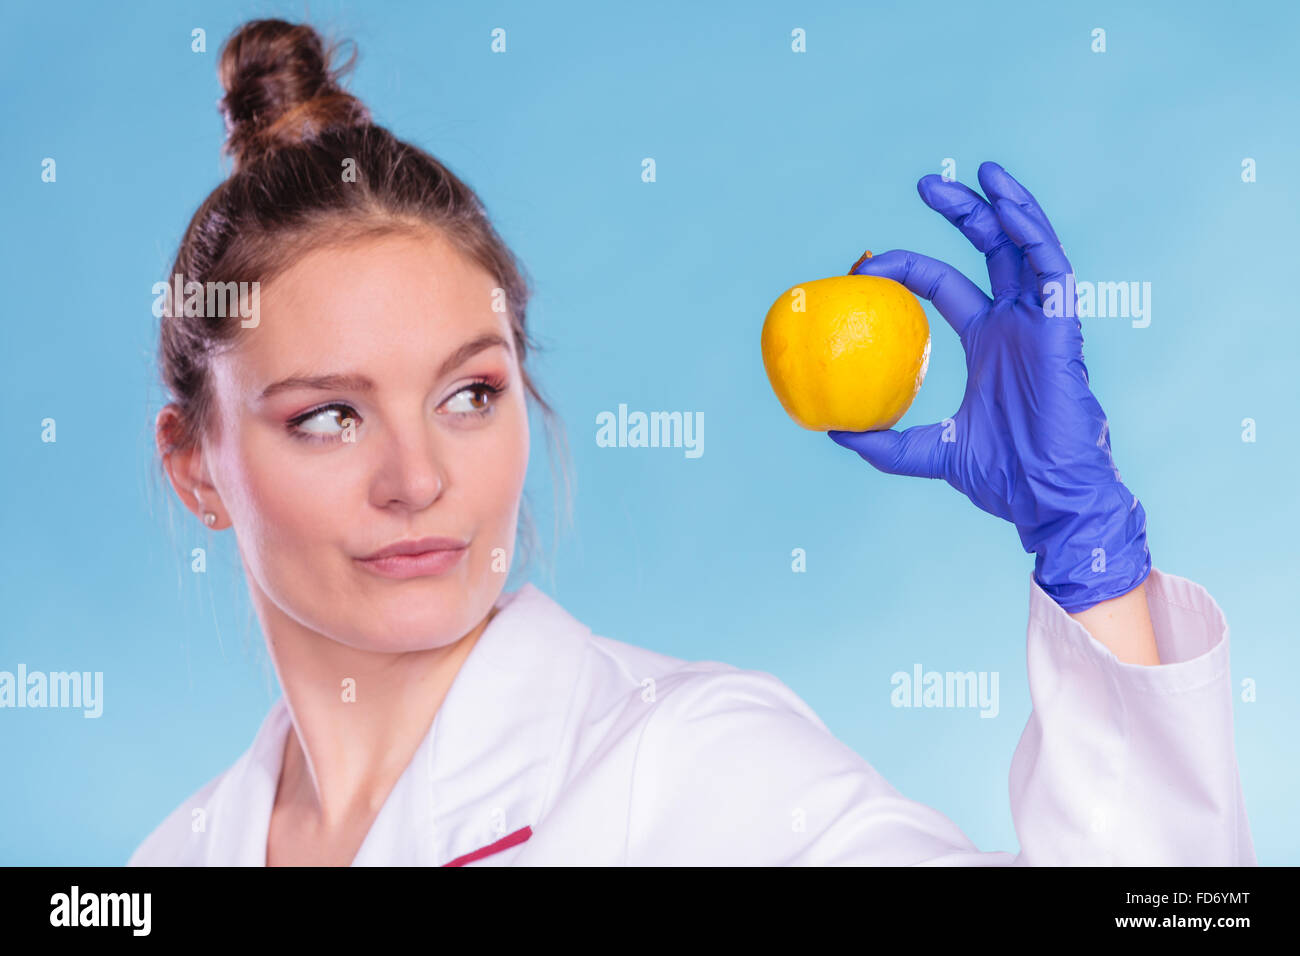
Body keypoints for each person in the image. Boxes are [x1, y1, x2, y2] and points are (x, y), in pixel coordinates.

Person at [128, 18, 1255, 866]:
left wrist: (1086, 546)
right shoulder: (167, 858)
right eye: (328, 415)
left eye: (469, 393)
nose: (418, 478)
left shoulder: (691, 769)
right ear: (195, 464)